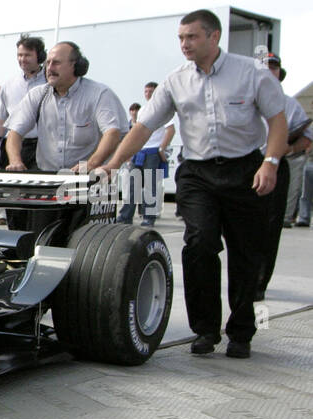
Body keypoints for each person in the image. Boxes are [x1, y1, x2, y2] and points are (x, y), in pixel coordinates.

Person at [95, 9, 286, 359]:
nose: (184, 44)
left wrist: (270, 163)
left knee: (246, 253)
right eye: (181, 38)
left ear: (214, 37)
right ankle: (206, 330)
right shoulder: (175, 80)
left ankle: (242, 332)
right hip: (198, 173)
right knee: (199, 244)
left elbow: (277, 119)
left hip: (244, 170)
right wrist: (113, 163)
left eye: (192, 37)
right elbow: (144, 126)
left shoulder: (251, 73)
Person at [4, 42, 127, 173]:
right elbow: (14, 133)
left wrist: (91, 164)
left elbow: (112, 133)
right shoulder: (37, 95)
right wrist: (15, 161)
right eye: (48, 63)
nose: (49, 68)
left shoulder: (100, 94)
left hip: (90, 178)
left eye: (56, 63)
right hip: (49, 179)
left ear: (76, 66)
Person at [256, 54, 312, 300]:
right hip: (245, 165)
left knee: (270, 227)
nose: (269, 70)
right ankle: (243, 276)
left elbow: (307, 136)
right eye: (265, 66)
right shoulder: (244, 98)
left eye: (274, 66)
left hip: (277, 165)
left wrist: (287, 149)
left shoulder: (289, 104)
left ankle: (259, 283)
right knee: (241, 226)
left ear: (280, 73)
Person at [117, 82, 177, 227]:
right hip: (139, 151)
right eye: (146, 91)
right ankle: (125, 216)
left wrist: (162, 149)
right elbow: (137, 131)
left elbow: (170, 130)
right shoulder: (143, 109)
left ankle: (148, 218)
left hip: (153, 152)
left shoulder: (164, 109)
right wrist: (130, 151)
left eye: (151, 91)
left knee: (150, 186)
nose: (148, 94)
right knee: (132, 185)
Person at [0, 34, 47, 170]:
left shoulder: (51, 83)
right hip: (11, 146)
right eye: (19, 55)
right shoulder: (9, 84)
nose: (22, 59)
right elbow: (2, 119)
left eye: (27, 55)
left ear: (40, 56)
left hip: (40, 147)